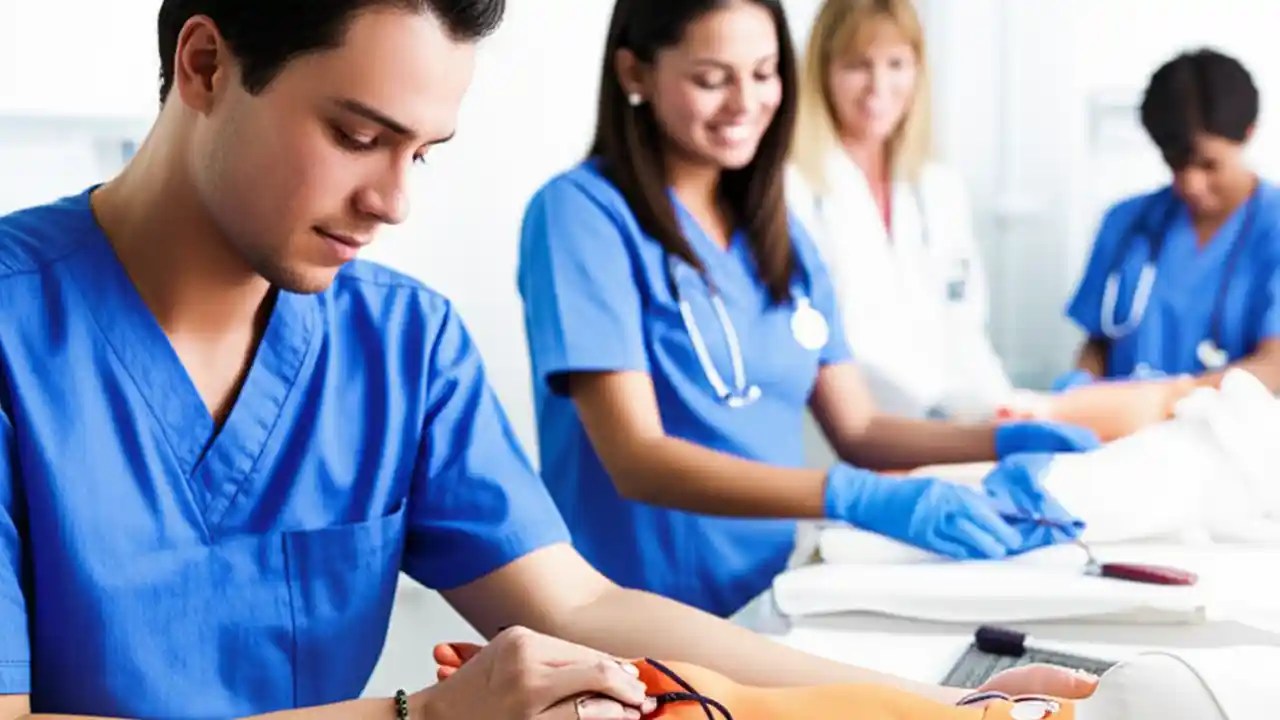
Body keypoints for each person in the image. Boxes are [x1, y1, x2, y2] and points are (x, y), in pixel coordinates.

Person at [0, 1, 1099, 717]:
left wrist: (927, 707)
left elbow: (577, 607)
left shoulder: (399, 341)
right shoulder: (17, 336)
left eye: (423, 152)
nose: (392, 201)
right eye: (356, 135)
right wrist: (419, 715)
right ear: (204, 64)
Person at [517, 0, 1098, 622]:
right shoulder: (581, 216)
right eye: (713, 79)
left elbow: (859, 429)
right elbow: (637, 459)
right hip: (635, 610)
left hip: (769, 597)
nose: (746, 102)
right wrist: (853, 495)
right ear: (634, 74)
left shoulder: (779, 234)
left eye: (765, 73)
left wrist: (1002, 438)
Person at [787, 0, 1013, 420]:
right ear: (822, 71)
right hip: (847, 432)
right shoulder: (792, 187)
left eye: (896, 64)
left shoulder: (937, 187)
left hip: (952, 422)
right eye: (858, 65)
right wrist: (947, 419)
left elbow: (964, 326)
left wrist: (1002, 406)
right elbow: (827, 340)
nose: (879, 86)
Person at [1062, 49, 1280, 392]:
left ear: (1248, 133)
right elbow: (1100, 341)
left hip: (1231, 433)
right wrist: (1078, 386)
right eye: (1175, 163)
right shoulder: (1125, 221)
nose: (1191, 184)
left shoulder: (1273, 227)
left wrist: (1162, 401)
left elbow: (1274, 365)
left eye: (1209, 165)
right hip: (1118, 433)